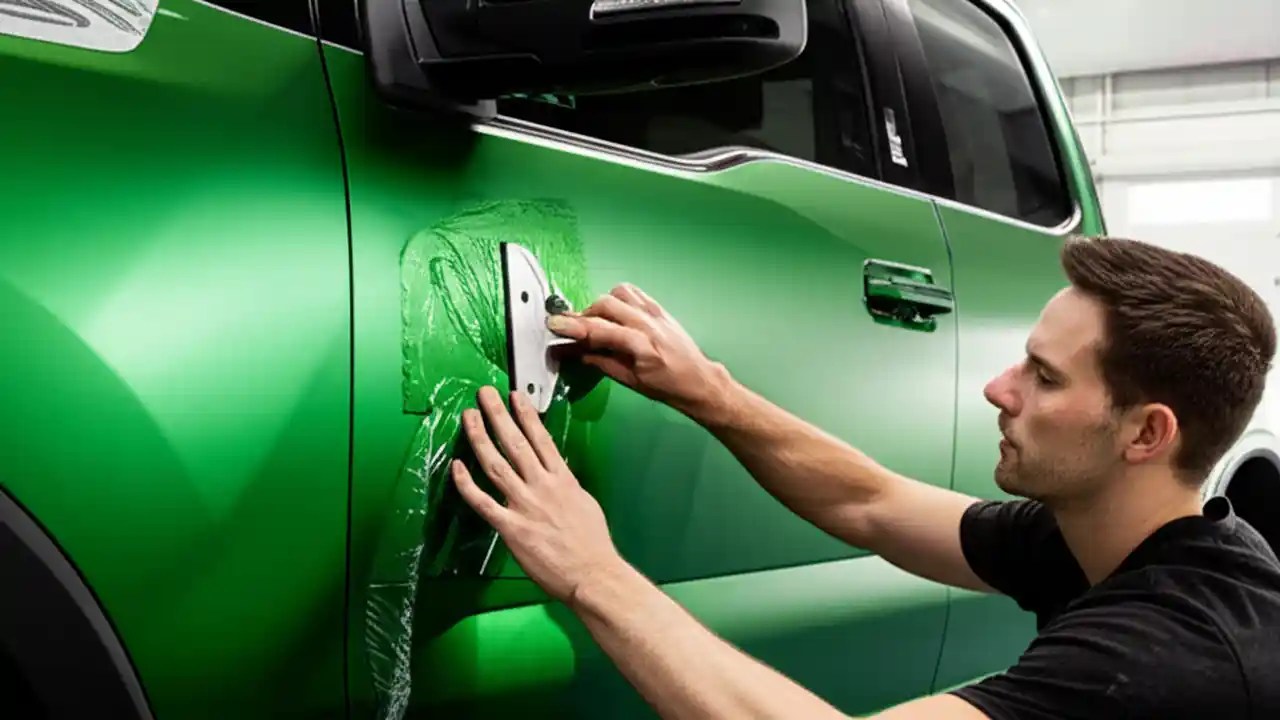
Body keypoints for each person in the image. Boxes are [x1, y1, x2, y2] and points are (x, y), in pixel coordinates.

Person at [449, 235, 1280, 719]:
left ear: (1146, 433)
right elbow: (872, 504)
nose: (999, 389)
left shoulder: (1173, 656)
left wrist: (594, 575)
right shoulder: (1121, 531)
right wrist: (710, 392)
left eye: (1045, 377)